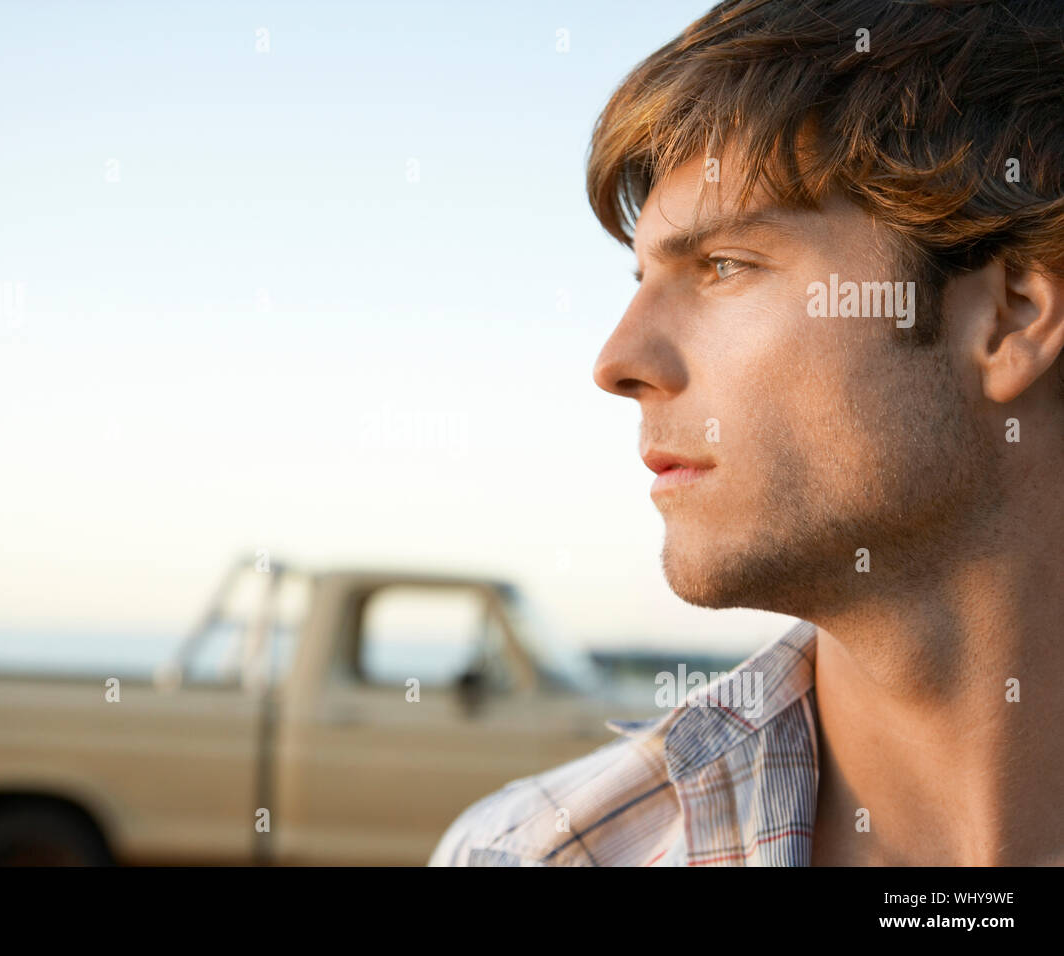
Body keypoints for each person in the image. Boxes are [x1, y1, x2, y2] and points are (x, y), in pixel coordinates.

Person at [429, 0, 1064, 866]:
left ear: (1009, 318)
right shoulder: (536, 854)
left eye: (724, 265)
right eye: (643, 275)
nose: (617, 361)